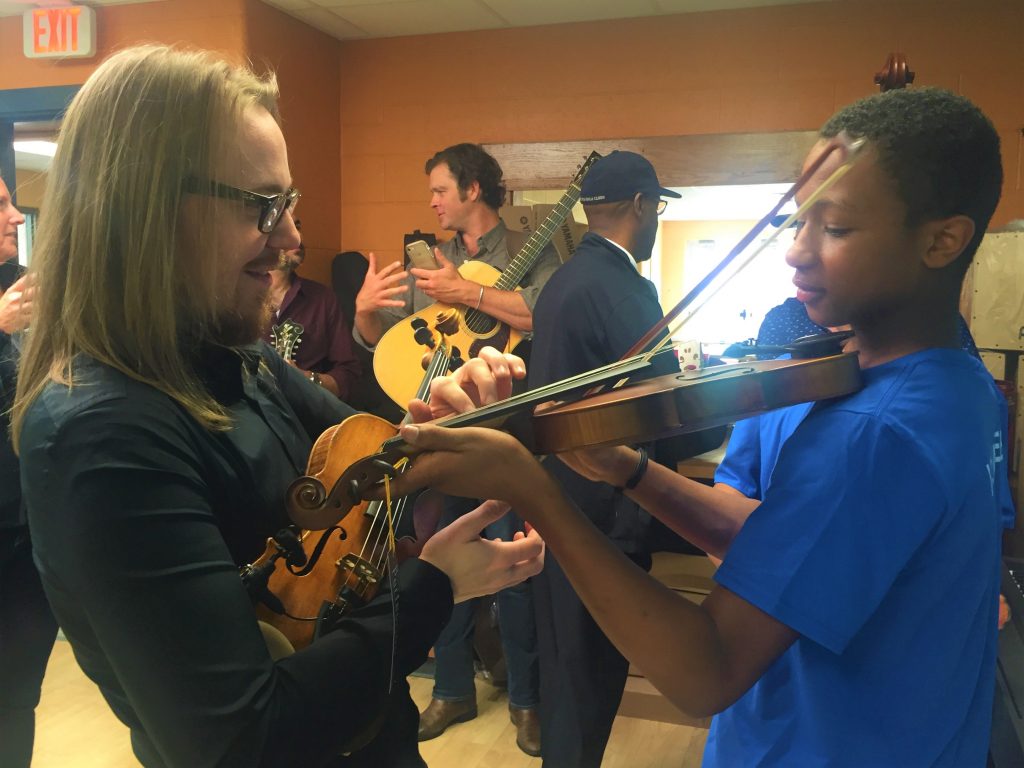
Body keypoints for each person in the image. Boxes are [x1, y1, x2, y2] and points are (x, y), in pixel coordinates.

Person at [382, 87, 1011, 766]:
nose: (795, 253)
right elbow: (784, 548)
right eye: (798, 222)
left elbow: (706, 669)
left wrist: (536, 492)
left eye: (834, 228)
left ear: (942, 240)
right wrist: (629, 469)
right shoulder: (961, 382)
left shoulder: (875, 431)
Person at [11, 45, 543, 768]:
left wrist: (456, 421)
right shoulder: (102, 437)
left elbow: (381, 456)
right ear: (145, 209)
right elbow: (245, 742)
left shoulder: (238, 358)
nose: (292, 240)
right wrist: (436, 588)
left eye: (288, 203)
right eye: (264, 207)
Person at [354, 142, 559, 753]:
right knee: (433, 560)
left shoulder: (529, 253)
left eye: (441, 189)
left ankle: (527, 701)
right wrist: (365, 317)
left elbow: (544, 315)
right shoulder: (430, 260)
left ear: (473, 190)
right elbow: (393, 343)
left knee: (514, 565)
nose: (434, 202)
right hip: (438, 436)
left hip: (505, 433)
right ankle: (450, 691)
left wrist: (465, 291)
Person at [524, 150, 683, 768]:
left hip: (558, 502)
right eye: (658, 208)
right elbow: (672, 411)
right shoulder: (625, 287)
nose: (658, 221)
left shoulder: (563, 280)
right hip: (604, 512)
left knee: (567, 667)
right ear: (641, 206)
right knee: (593, 670)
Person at [0, 175, 56, 768]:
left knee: (16, 698)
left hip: (24, 536)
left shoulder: (17, 293)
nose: (17, 218)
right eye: (1, 205)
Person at [263, 228, 362, 400]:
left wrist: (308, 379)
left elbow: (349, 374)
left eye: (299, 227)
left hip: (310, 413)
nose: (298, 237)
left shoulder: (322, 298)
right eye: (286, 227)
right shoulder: (236, 298)